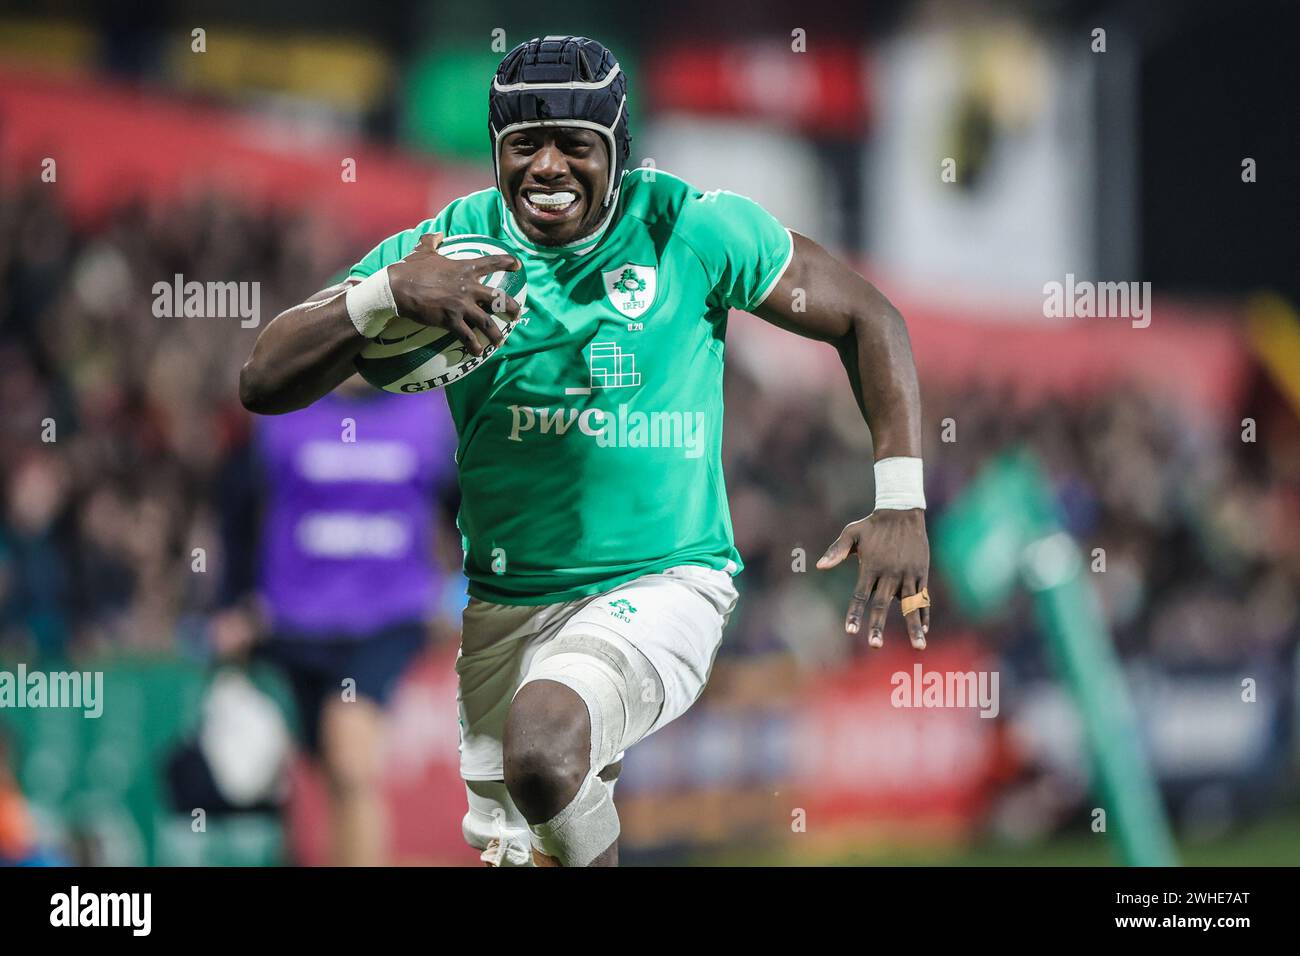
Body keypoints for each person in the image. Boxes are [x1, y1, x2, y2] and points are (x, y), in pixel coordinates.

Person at [239, 36, 930, 867]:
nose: (548, 167)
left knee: (543, 745)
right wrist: (381, 295)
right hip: (507, 605)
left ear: (619, 149)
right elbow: (262, 379)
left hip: (665, 578)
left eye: (576, 144)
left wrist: (899, 497)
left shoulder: (687, 226)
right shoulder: (448, 249)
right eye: (524, 145)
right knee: (536, 840)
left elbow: (867, 315)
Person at [212, 374, 458, 865]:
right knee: (318, 775)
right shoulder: (279, 411)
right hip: (294, 626)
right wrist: (232, 604)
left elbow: (468, 510)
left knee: (350, 759)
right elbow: (235, 513)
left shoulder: (426, 416)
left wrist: (458, 595)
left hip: (386, 619)